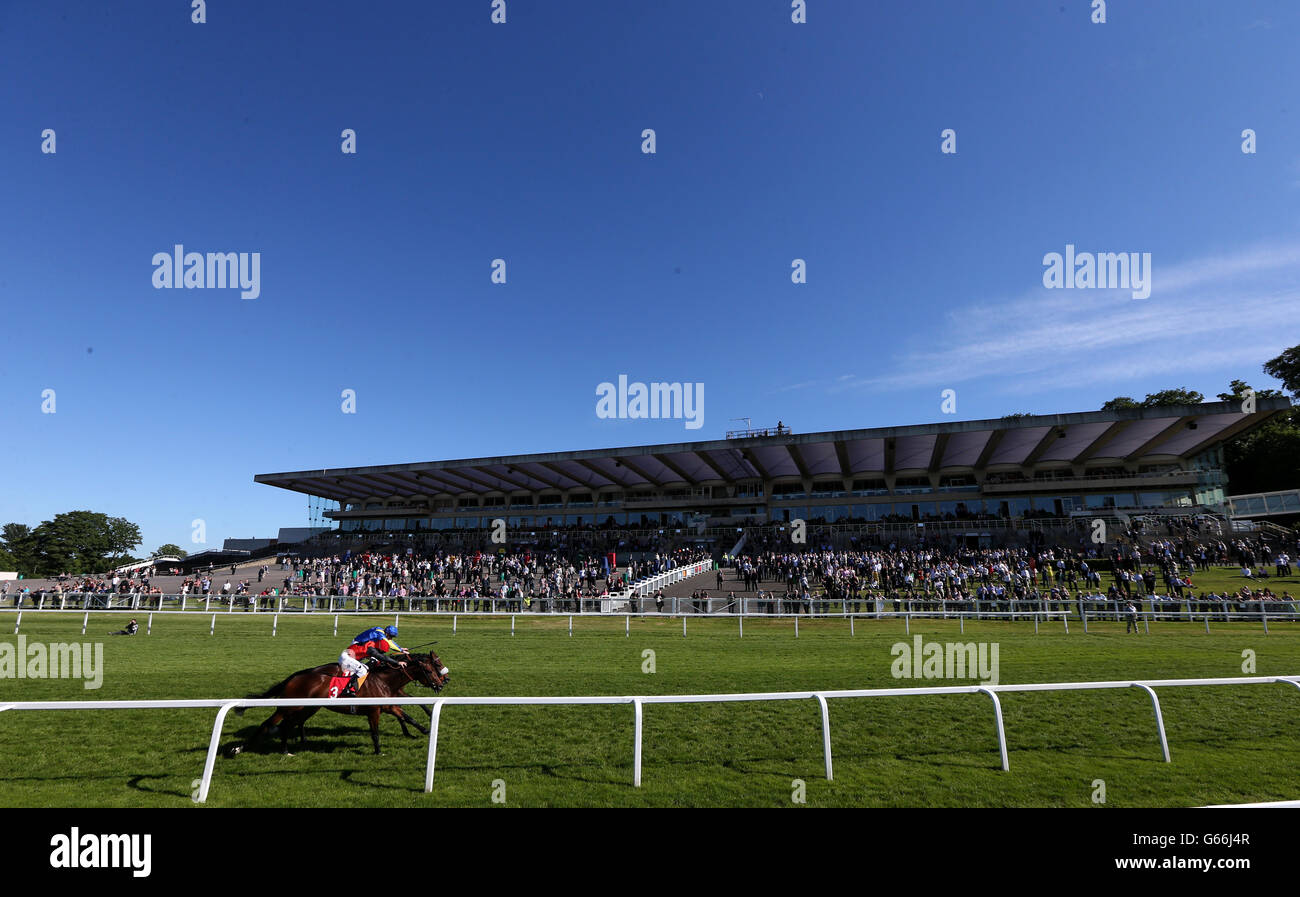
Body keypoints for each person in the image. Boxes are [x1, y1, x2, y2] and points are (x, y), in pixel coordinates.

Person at [339, 629, 406, 697]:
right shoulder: (371, 649)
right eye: (381, 651)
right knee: (362, 670)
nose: (381, 653)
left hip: (351, 657)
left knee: (367, 667)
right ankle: (348, 690)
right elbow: (382, 657)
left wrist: (400, 649)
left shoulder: (373, 645)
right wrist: (397, 662)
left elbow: (381, 656)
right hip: (346, 658)